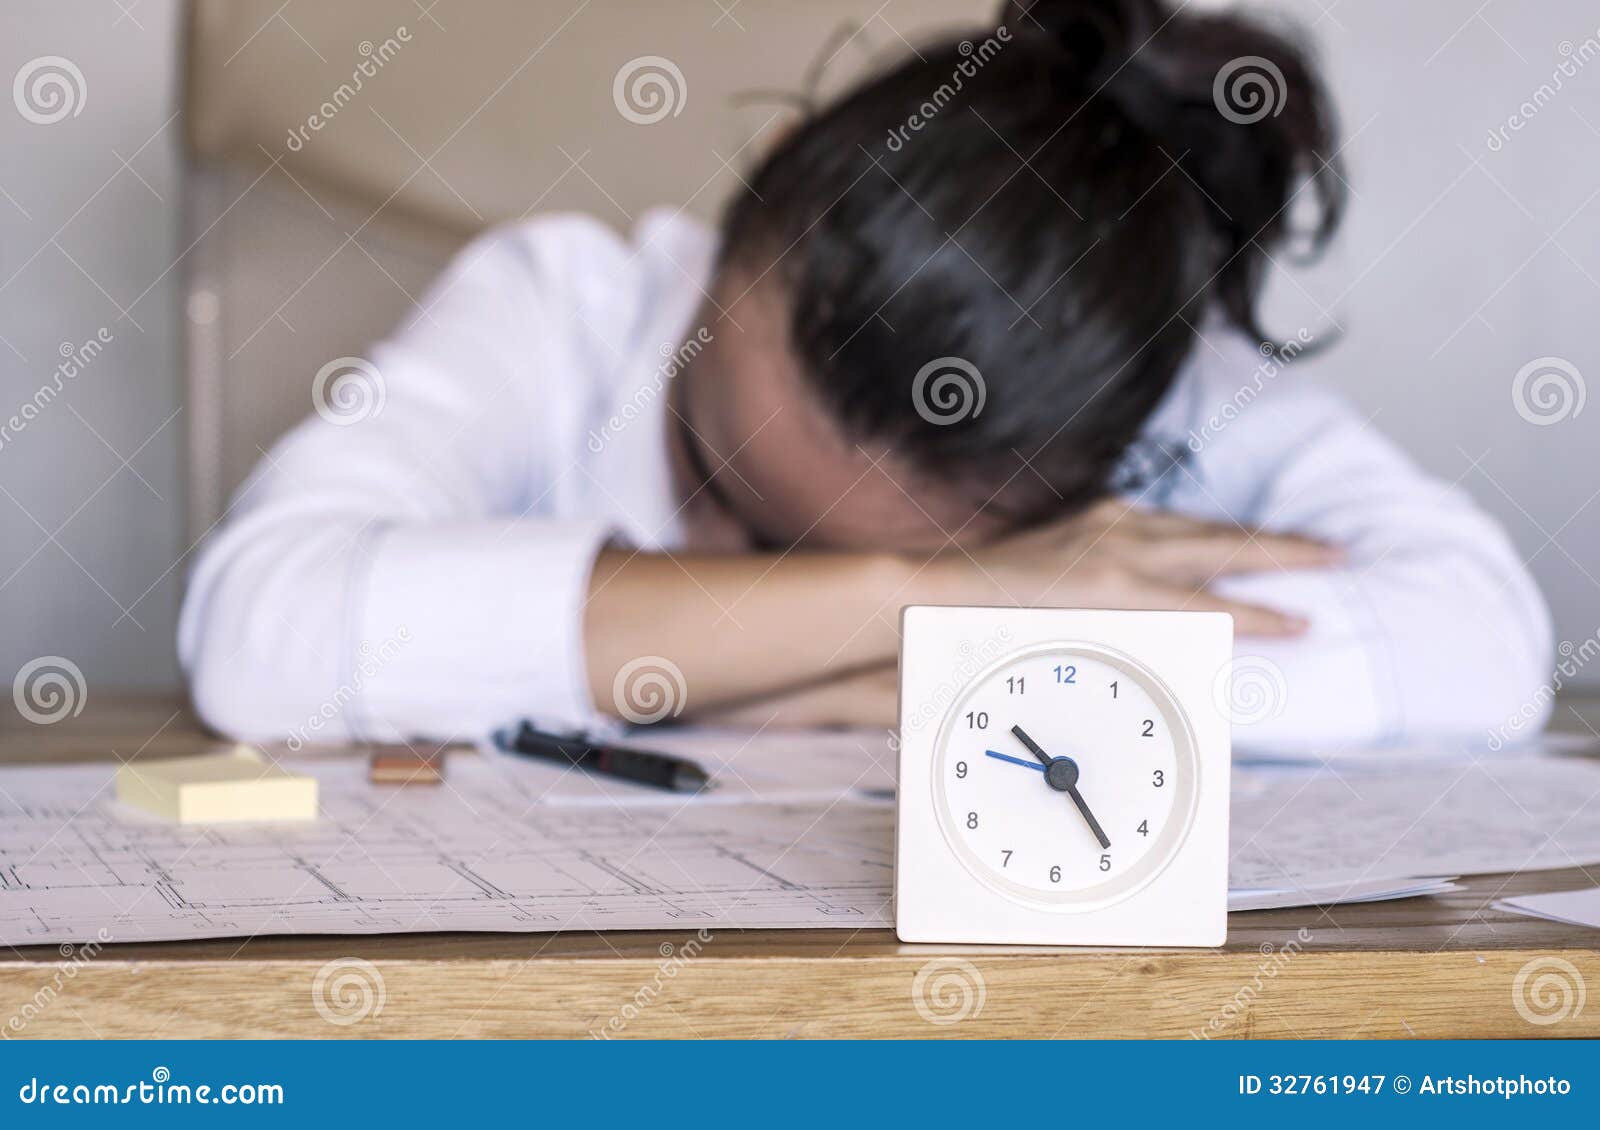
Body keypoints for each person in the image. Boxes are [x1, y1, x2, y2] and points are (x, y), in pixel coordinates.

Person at [178, 0, 1550, 753]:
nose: (734, 557)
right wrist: (944, 599)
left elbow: (1482, 645)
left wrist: (886, 676)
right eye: (710, 466)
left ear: (1073, 494)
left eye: (807, 549)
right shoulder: (561, 304)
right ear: (737, 221)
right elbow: (261, 625)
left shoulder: (1162, 387)